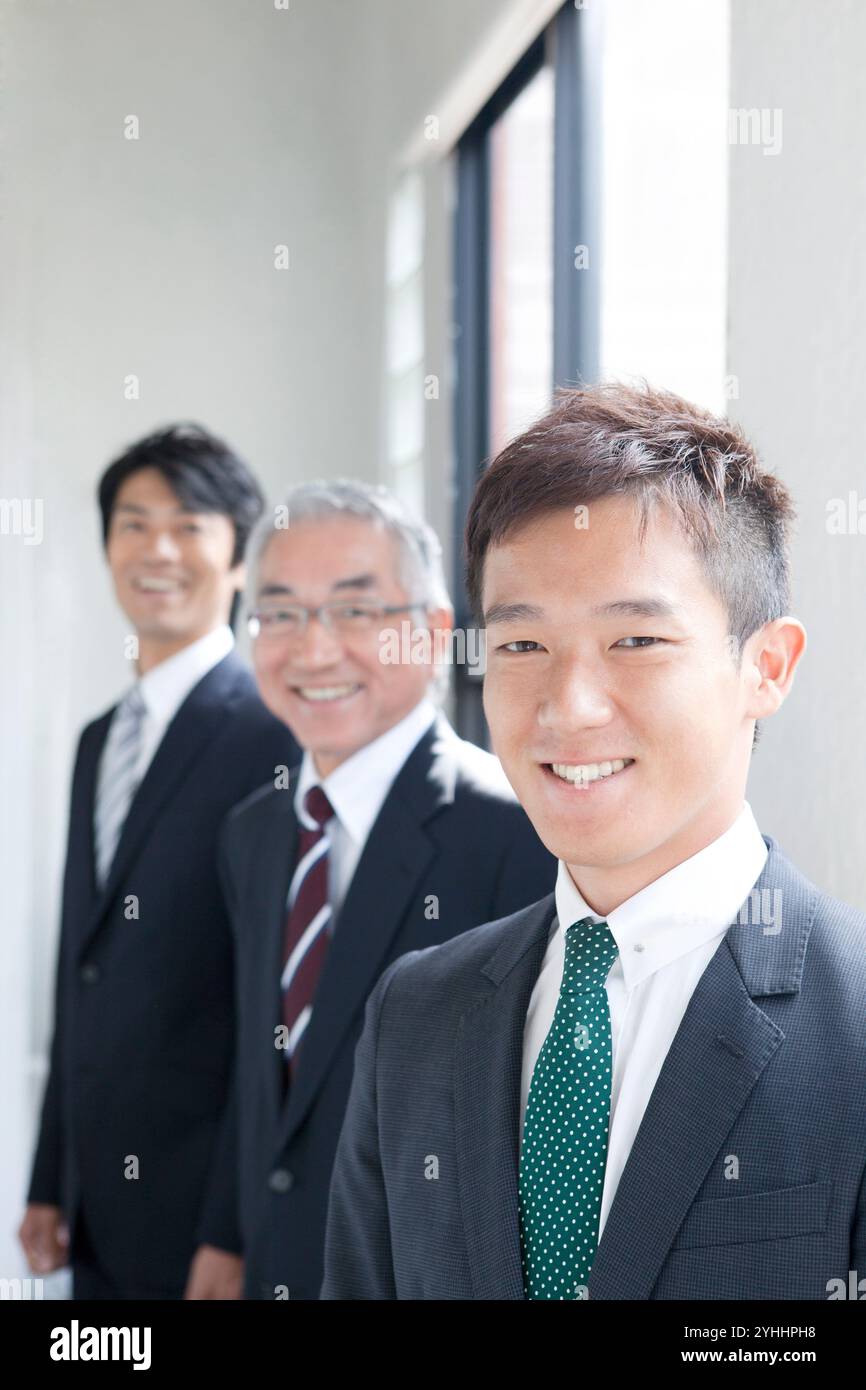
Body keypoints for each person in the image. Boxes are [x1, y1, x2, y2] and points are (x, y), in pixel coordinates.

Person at [321, 382, 866, 1301]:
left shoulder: (851, 1025)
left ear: (765, 667)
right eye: (523, 647)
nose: (568, 709)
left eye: (638, 640)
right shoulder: (415, 1016)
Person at [189, 479, 557, 1300]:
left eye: (355, 612)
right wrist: (225, 1235)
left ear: (429, 636)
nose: (313, 651)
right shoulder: (252, 833)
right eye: (280, 614)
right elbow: (263, 1065)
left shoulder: (517, 833)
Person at [18, 423, 299, 1300]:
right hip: (95, 1204)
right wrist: (46, 1176)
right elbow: (82, 968)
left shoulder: (276, 733)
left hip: (205, 1217)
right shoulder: (101, 739)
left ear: (241, 558)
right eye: (134, 524)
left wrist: (232, 1223)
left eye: (189, 525)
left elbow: (274, 1010)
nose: (157, 549)